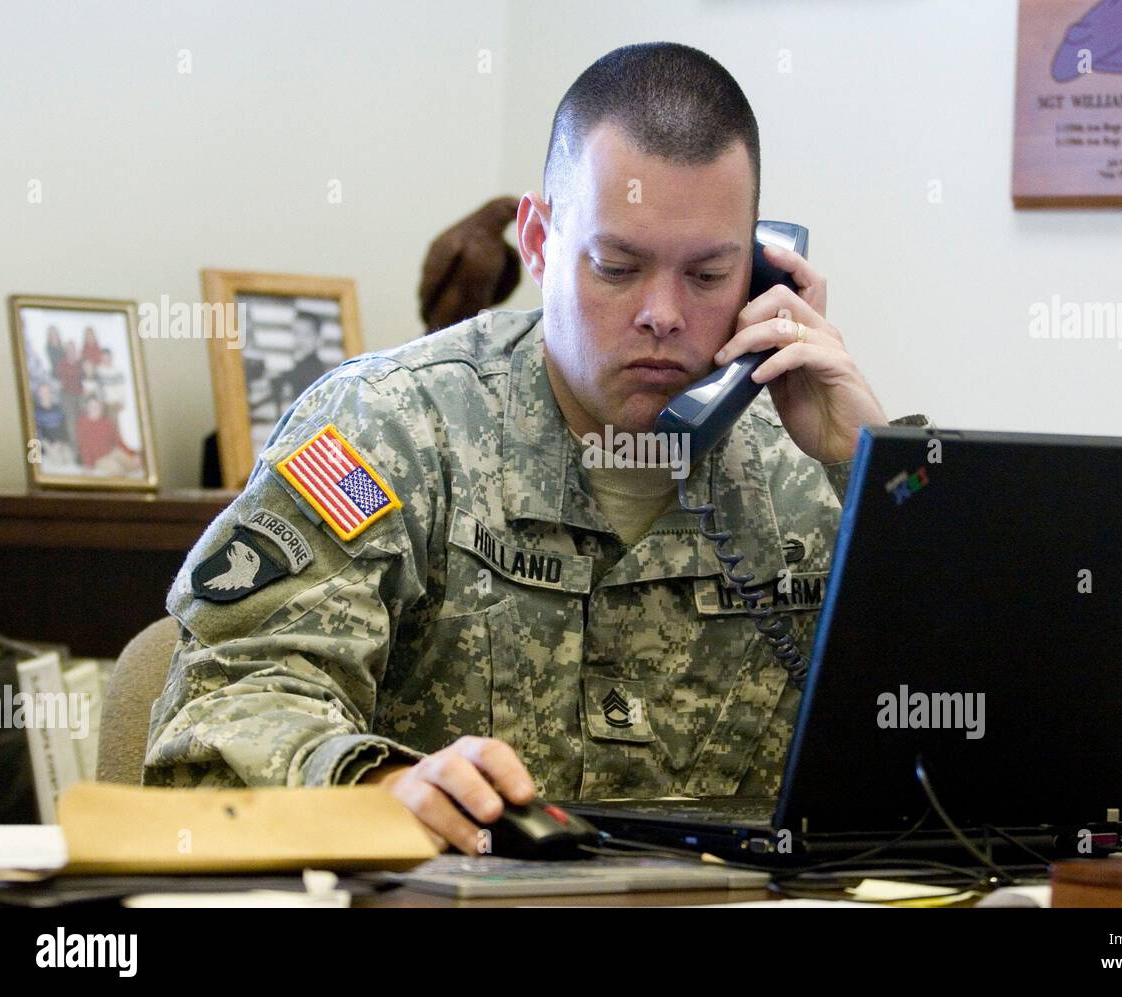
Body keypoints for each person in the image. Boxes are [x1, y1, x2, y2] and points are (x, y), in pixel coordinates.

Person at [144, 42, 927, 856]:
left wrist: (873, 464)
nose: (662, 313)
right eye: (617, 266)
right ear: (539, 241)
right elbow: (216, 713)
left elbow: (978, 722)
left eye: (706, 275)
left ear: (766, 269)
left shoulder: (814, 459)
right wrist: (374, 785)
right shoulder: (389, 427)